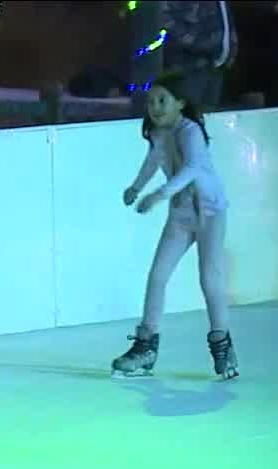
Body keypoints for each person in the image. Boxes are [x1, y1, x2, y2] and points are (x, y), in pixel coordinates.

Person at [115, 72, 237, 380]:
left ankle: (222, 343)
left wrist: (159, 194)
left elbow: (194, 167)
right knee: (157, 276)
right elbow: (153, 161)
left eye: (162, 100)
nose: (154, 107)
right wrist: (136, 186)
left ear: (180, 103)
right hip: (182, 215)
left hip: (210, 212)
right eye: (150, 101)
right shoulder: (158, 133)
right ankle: (146, 346)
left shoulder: (190, 130)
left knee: (209, 278)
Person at [158, 0, 237, 110]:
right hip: (187, 67)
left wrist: (231, 49)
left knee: (208, 118)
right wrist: (197, 42)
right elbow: (164, 17)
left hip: (216, 66)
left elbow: (225, 21)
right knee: (186, 117)